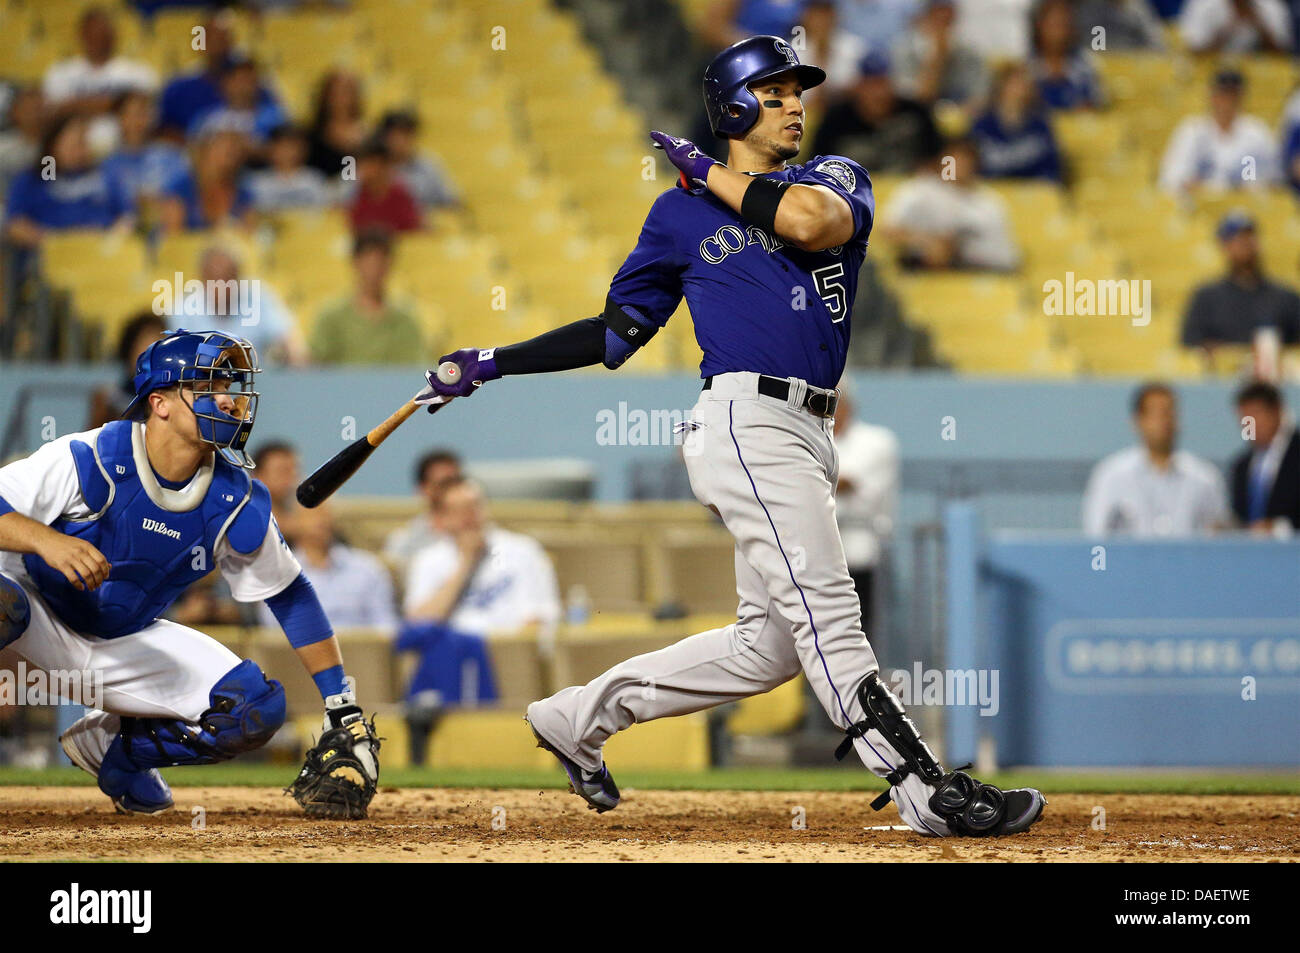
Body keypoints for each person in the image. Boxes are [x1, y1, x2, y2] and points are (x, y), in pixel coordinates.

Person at [414, 36, 1044, 837]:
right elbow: (616, 335)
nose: (794, 104)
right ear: (735, 104)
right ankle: (926, 789)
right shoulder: (677, 214)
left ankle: (576, 716)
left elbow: (810, 225)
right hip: (746, 420)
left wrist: (707, 169)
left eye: (797, 93)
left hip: (811, 429)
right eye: (775, 92)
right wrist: (493, 362)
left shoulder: (833, 177)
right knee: (829, 609)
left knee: (770, 649)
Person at [0, 330, 378, 816]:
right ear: (159, 403)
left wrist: (339, 702)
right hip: (30, 620)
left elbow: (291, 596)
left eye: (231, 386)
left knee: (254, 709)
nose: (228, 398)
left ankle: (121, 752)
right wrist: (46, 540)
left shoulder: (237, 499)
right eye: (207, 386)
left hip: (122, 640)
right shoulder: (88, 457)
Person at [402, 477, 560, 637]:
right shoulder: (428, 560)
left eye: (476, 506)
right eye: (460, 510)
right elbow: (418, 624)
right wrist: (466, 562)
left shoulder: (524, 551)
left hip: (507, 653)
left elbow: (538, 619)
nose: (471, 517)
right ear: (441, 519)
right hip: (449, 655)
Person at [1082, 382, 1228, 536]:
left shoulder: (1204, 477)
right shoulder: (1111, 476)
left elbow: (1219, 538)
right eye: (1156, 414)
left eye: (1169, 412)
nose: (1164, 421)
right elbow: (1096, 534)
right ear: (1137, 421)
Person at [878, 137, 1021, 270]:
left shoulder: (991, 202)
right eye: (953, 159)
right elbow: (887, 229)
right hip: (924, 271)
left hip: (980, 271)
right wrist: (926, 241)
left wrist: (955, 248)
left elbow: (1007, 257)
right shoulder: (920, 190)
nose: (959, 166)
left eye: (966, 161)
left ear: (976, 165)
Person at [260, 502, 398, 630]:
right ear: (294, 522)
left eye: (324, 513)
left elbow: (385, 627)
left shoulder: (368, 569)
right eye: (311, 514)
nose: (320, 521)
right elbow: (274, 632)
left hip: (360, 651)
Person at [831, 382, 899, 641]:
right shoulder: (815, 441)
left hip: (861, 553)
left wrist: (804, 478)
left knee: (859, 632)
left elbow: (849, 483)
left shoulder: (877, 441)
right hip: (814, 553)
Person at [3, 116, 134, 247]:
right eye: (74, 143)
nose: (81, 149)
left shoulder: (106, 174)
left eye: (84, 142)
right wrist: (53, 242)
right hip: (49, 252)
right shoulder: (33, 179)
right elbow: (15, 224)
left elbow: (126, 216)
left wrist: (111, 239)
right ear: (53, 144)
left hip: (100, 251)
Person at [166, 244, 307, 364]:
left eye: (227, 278)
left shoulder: (258, 298)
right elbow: (169, 354)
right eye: (214, 279)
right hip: (198, 387)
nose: (221, 286)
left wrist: (296, 357)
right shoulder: (184, 307)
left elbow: (290, 339)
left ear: (238, 279)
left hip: (254, 385)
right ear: (202, 279)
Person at [42, 6, 157, 152]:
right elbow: (54, 113)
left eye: (103, 32)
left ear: (113, 35)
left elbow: (145, 115)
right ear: (82, 34)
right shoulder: (61, 72)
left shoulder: (138, 72)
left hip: (125, 149)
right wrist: (116, 104)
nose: (98, 37)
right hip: (73, 151)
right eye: (92, 32)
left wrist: (76, 105)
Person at [809, 51, 942, 175]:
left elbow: (938, 158)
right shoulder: (836, 120)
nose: (877, 93)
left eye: (881, 84)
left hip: (909, 191)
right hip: (853, 193)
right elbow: (816, 166)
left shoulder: (915, 113)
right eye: (870, 85)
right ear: (857, 87)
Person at [1181, 211, 1300, 349]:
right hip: (1222, 370)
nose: (1244, 243)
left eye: (1248, 237)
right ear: (1224, 246)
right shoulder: (1206, 297)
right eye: (1236, 239)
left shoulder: (1285, 297)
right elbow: (1190, 344)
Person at [157, 9, 281, 140]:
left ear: (231, 42)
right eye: (210, 38)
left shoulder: (252, 82)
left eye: (223, 38)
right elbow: (164, 130)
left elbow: (276, 129)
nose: (217, 45)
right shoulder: (179, 87)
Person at [311, 228, 429, 364]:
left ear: (390, 264)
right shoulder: (331, 316)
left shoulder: (406, 318)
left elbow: (414, 368)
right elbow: (316, 366)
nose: (375, 269)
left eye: (381, 261)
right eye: (369, 261)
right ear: (355, 262)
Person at [1158, 69, 1280, 194]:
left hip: (1243, 208)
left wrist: (1245, 188)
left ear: (1241, 97)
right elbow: (1172, 178)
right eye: (1223, 94)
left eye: (1233, 94)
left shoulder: (1257, 132)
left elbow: (1273, 179)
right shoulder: (1192, 130)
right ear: (1212, 95)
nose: (1227, 100)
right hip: (1197, 208)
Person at [970, 62, 1064, 181]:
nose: (1018, 89)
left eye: (1023, 84)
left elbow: (1052, 169)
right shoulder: (981, 125)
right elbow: (973, 166)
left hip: (1030, 192)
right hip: (992, 191)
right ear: (1000, 87)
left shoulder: (1039, 126)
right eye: (1013, 84)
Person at [890, 0, 991, 108]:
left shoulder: (968, 51)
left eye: (947, 20)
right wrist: (938, 56)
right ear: (924, 18)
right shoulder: (905, 49)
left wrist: (961, 115)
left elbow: (980, 95)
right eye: (936, 18)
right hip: (918, 116)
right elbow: (919, 97)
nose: (942, 26)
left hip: (960, 114)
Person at [99, 90, 188, 210]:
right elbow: (107, 208)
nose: (135, 121)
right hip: (125, 226)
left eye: (141, 114)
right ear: (119, 119)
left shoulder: (171, 157)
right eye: (129, 114)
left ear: (150, 118)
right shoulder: (109, 166)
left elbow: (184, 199)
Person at [1229, 380, 1300, 530]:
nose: (1249, 425)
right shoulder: (1241, 466)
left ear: (1277, 411)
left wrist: (1280, 527)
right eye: (1244, 418)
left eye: (1255, 415)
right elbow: (1242, 518)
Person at [158, 125, 255, 232]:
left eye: (235, 148)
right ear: (204, 149)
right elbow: (172, 236)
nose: (230, 151)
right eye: (223, 145)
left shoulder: (243, 194)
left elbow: (248, 236)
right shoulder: (180, 189)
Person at [86, 310, 166, 428]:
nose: (151, 361)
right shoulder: (108, 401)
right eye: (144, 351)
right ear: (129, 352)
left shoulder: (172, 403)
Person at [383, 449, 463, 562]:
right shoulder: (404, 542)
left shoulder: (481, 534)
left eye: (458, 482)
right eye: (445, 483)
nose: (454, 490)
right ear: (423, 488)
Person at [1028, 0, 1104, 111]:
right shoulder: (1026, 68)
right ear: (1039, 26)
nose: (1057, 33)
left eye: (1062, 25)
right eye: (1052, 25)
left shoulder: (1086, 67)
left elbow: (1097, 105)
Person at [379, 111, 458, 210]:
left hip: (422, 222)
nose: (400, 141)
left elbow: (452, 202)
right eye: (394, 135)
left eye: (406, 135)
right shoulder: (372, 165)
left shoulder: (429, 166)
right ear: (383, 137)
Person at [246, 124, 332, 212]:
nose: (286, 152)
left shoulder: (315, 179)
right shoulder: (257, 183)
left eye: (292, 147)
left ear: (304, 150)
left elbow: (326, 210)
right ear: (270, 149)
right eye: (281, 147)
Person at [347, 137, 421, 234]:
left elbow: (414, 232)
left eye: (370, 164)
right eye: (360, 164)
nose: (363, 170)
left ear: (385, 166)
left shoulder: (401, 195)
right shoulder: (356, 194)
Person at [306, 69, 366, 178]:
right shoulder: (311, 135)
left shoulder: (366, 134)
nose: (340, 98)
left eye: (346, 91)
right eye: (335, 92)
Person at [1179, 0, 1292, 53]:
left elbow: (1283, 53)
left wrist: (1257, 22)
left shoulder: (1271, 5)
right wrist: (1229, 29)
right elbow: (1191, 51)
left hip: (1258, 78)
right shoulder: (1203, 4)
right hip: (1209, 76)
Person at [249, 439, 303, 547]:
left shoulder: (298, 511)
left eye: (294, 471)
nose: (292, 478)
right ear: (257, 475)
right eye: (283, 471)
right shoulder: (244, 515)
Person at [0, 87, 44, 211]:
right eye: (29, 109)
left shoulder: (53, 150)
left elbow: (50, 186)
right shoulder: (2, 148)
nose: (35, 114)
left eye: (39, 108)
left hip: (43, 208)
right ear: (15, 112)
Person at [1071, 0, 1166, 49]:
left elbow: (1156, 45)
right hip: (1093, 67)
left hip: (1130, 68)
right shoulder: (1087, 8)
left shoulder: (1139, 8)